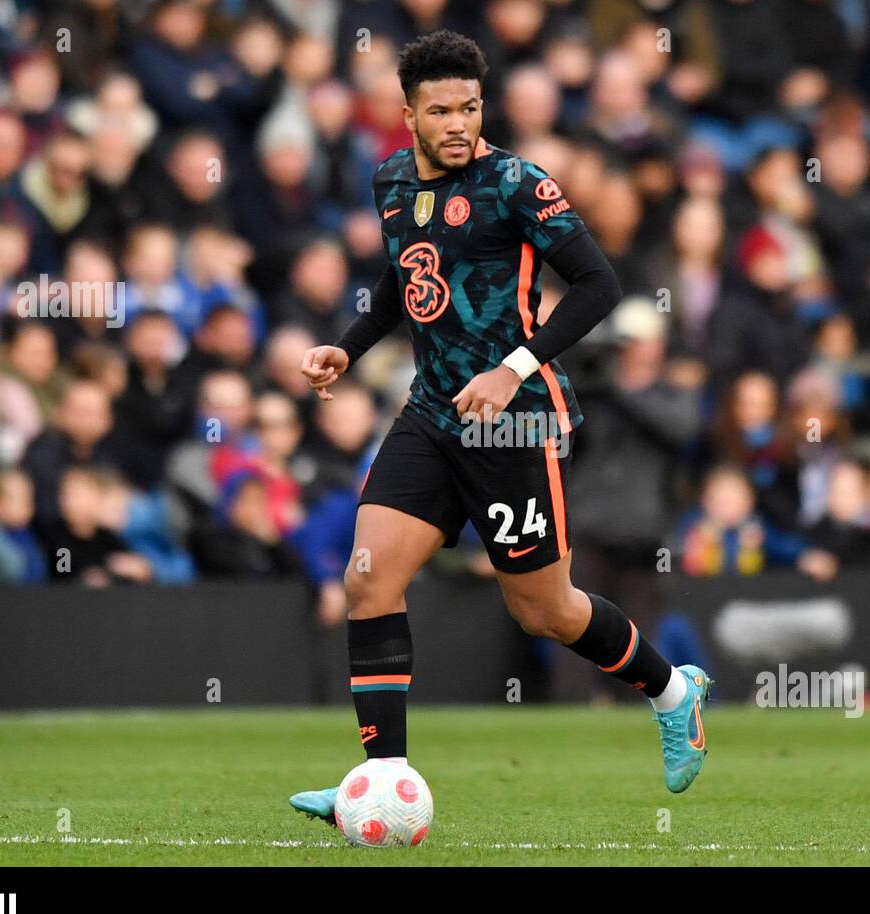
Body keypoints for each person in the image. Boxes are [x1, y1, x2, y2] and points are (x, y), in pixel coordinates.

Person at [289, 32, 712, 827]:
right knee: (368, 579)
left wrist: (513, 367)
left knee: (544, 611)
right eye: (440, 109)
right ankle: (381, 780)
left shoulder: (515, 182)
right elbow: (400, 281)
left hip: (513, 424)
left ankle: (673, 690)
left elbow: (598, 284)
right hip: (431, 413)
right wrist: (344, 349)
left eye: (470, 107)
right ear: (407, 112)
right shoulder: (387, 181)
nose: (458, 123)